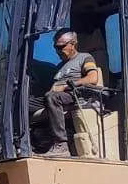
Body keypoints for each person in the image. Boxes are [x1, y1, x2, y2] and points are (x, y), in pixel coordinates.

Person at [33, 29, 103, 157]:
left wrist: (65, 86)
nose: (58, 50)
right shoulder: (59, 66)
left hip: (75, 95)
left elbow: (93, 78)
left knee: (52, 97)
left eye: (61, 46)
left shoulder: (85, 57)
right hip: (56, 96)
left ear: (73, 44)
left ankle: (61, 144)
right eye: (55, 47)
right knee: (24, 104)